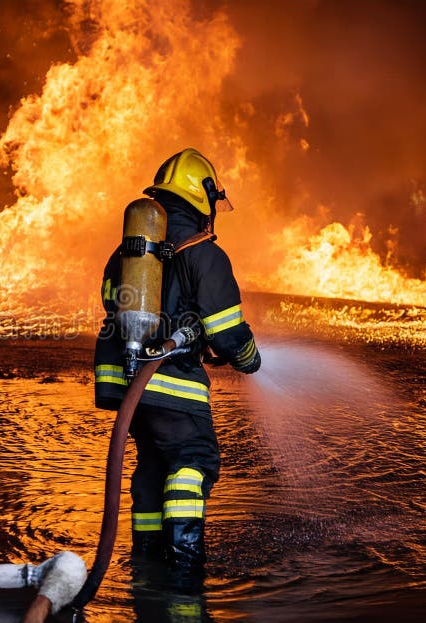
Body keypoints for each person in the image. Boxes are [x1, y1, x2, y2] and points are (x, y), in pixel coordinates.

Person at [94, 148, 261, 576]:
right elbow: (228, 334)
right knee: (194, 456)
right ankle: (184, 565)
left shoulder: (129, 251)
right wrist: (249, 359)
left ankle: (146, 563)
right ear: (203, 195)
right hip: (170, 384)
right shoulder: (203, 253)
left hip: (125, 384)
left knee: (153, 463)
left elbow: (111, 301)